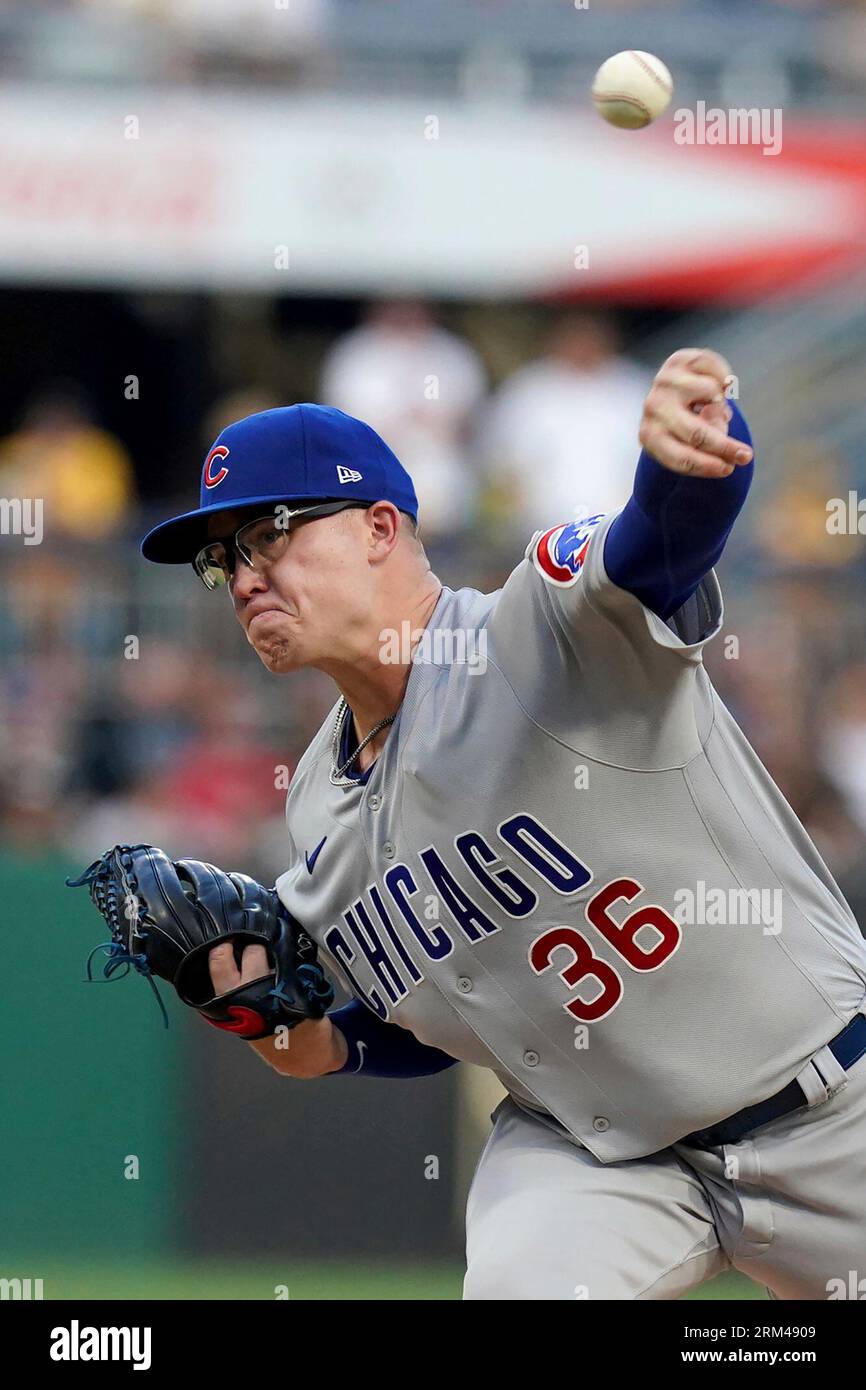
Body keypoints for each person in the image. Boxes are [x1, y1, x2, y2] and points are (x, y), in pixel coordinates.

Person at [140, 354, 866, 1300]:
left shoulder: (536, 638)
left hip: (828, 1115)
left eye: (267, 533)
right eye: (222, 558)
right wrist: (308, 1035)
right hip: (595, 1163)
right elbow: (433, 1011)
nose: (242, 578)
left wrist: (688, 466)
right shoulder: (317, 803)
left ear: (379, 528)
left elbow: (659, 547)